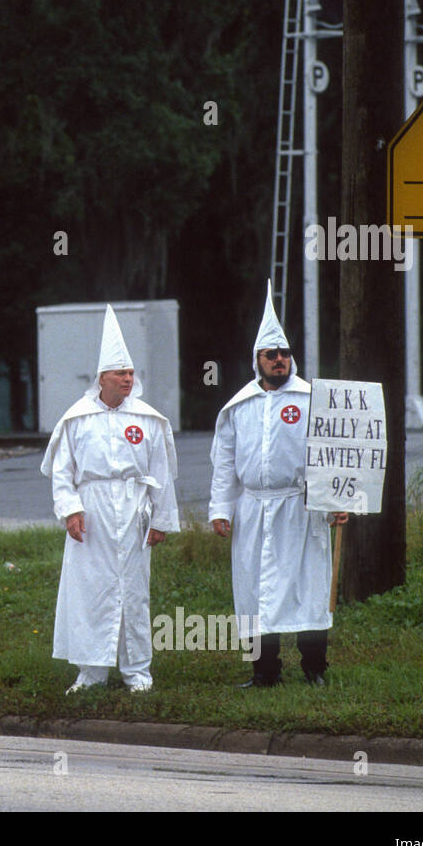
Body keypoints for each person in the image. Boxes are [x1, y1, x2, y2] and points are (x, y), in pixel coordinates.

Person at [208, 283, 347, 687]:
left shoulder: (312, 398)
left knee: (309, 587)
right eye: (272, 355)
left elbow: (334, 453)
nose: (280, 360)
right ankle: (264, 672)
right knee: (254, 591)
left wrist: (338, 501)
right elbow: (224, 463)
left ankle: (314, 669)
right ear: (258, 360)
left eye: (285, 354)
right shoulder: (238, 406)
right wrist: (220, 509)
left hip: (301, 507)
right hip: (253, 509)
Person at [40, 305, 179, 694]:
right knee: (90, 590)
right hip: (94, 511)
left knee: (133, 590)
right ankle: (91, 670)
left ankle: (137, 671)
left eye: (131, 373)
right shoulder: (77, 419)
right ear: (102, 376)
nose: (127, 379)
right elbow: (63, 472)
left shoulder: (148, 420)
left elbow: (162, 475)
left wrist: (161, 521)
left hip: (134, 509)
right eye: (120, 373)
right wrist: (71, 510)